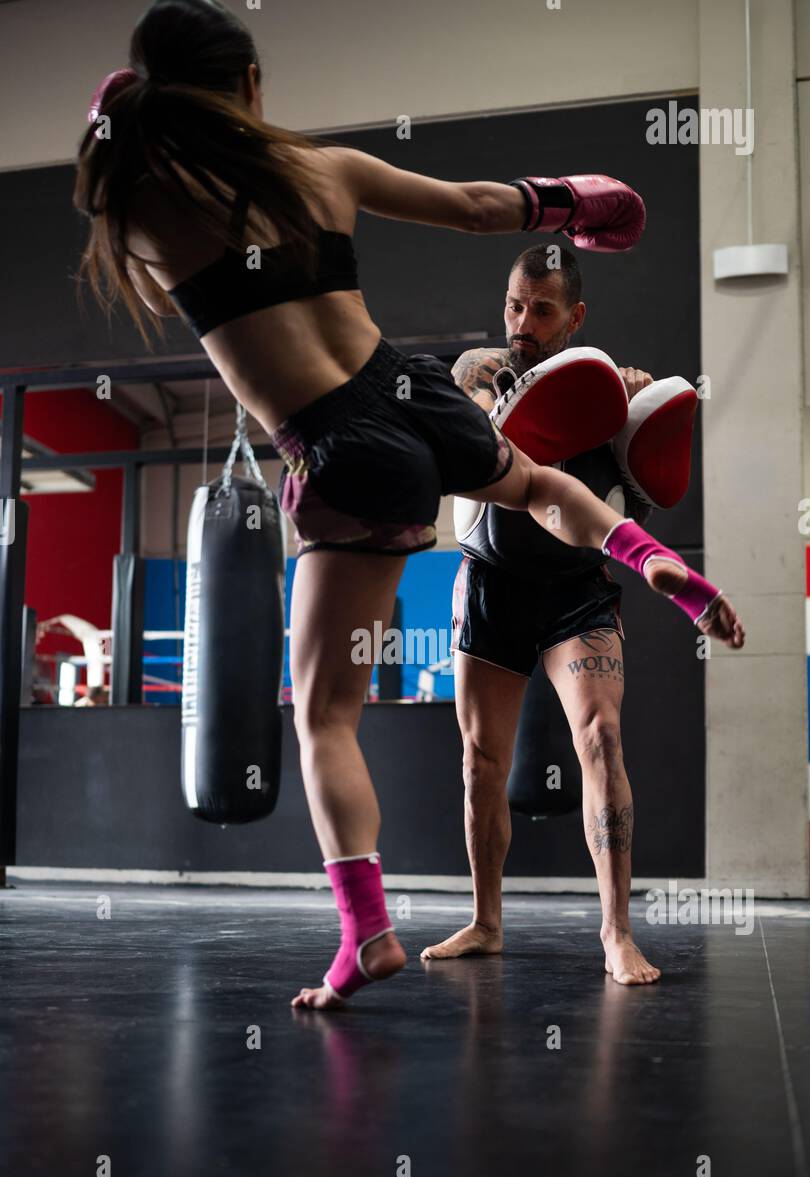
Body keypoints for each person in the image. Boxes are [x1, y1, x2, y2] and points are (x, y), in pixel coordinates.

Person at [74, 0, 744, 1010]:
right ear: (253, 88)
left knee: (325, 718)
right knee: (537, 482)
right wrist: (577, 200)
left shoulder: (143, 208)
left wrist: (113, 115)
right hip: (410, 389)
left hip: (341, 447)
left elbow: (100, 170)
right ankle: (652, 556)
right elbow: (479, 205)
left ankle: (365, 933)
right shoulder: (325, 172)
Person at [423, 244, 699, 984]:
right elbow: (486, 442)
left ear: (573, 317)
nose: (522, 322)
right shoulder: (478, 370)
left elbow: (633, 505)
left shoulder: (613, 400)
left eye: (541, 311)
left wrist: (631, 418)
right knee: (481, 760)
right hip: (491, 583)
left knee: (602, 735)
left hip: (577, 591)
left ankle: (615, 933)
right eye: (514, 304)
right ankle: (486, 922)